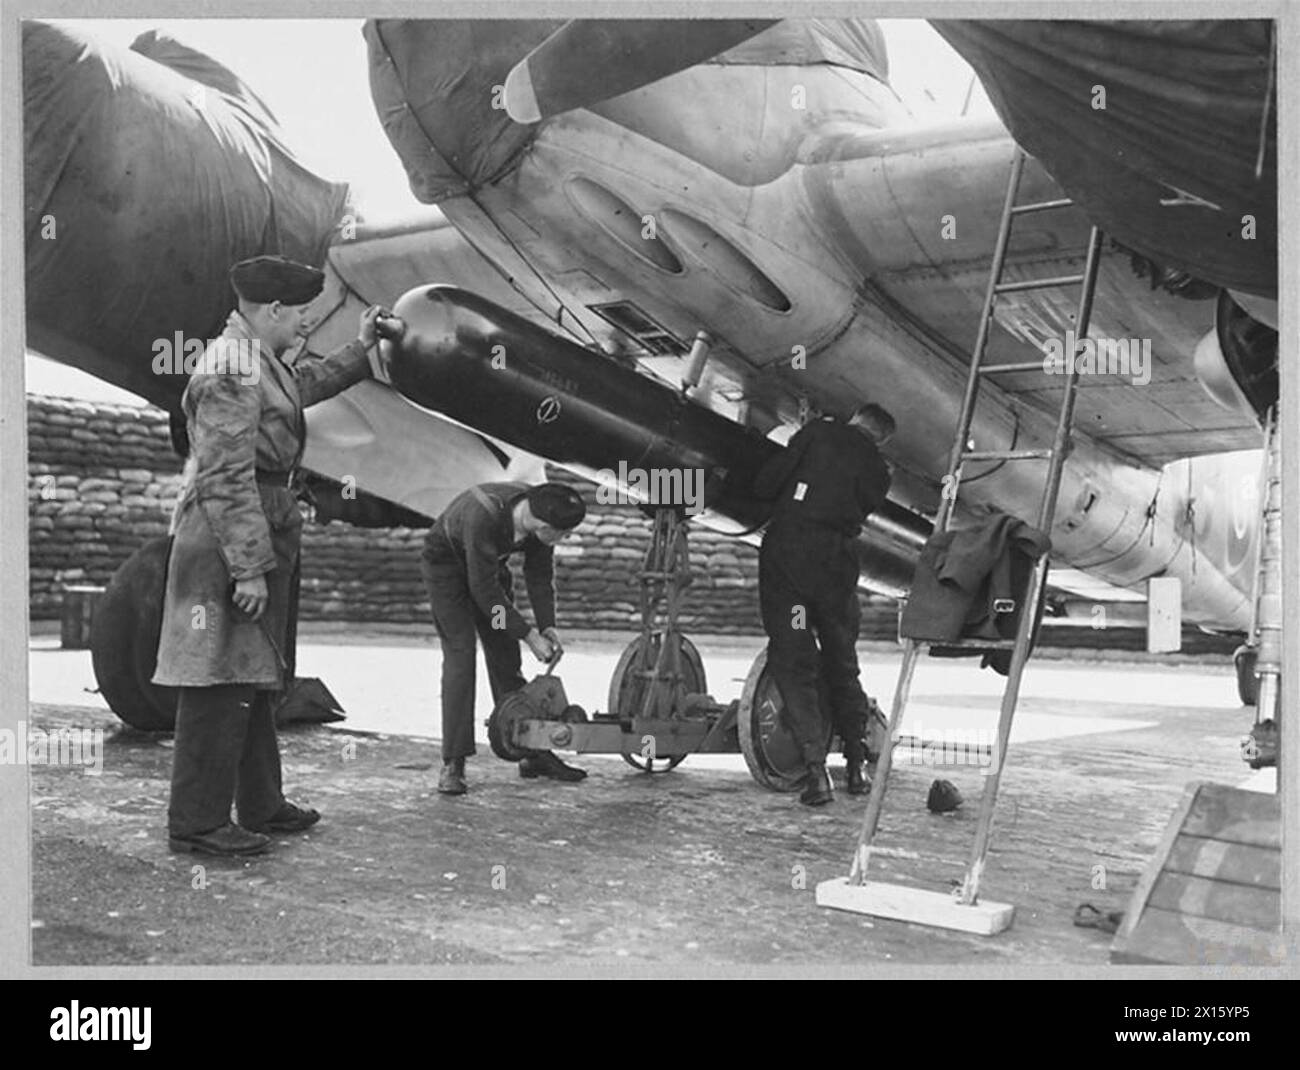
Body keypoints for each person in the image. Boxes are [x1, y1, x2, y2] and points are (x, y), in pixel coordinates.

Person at [154, 254, 403, 856]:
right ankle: (197, 822)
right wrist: (248, 567)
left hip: (260, 518)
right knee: (219, 676)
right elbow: (222, 474)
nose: (304, 327)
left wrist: (362, 348)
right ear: (272, 310)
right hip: (228, 532)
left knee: (257, 673)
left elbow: (300, 389)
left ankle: (260, 803)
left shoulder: (259, 360)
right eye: (300, 316)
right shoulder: (230, 369)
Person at [754, 403, 895, 806]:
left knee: (794, 652)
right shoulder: (881, 472)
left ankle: (816, 772)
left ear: (856, 418)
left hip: (793, 559)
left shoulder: (820, 433)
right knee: (840, 657)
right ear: (881, 438)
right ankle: (855, 765)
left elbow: (768, 483)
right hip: (837, 566)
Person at [421, 481, 588, 794]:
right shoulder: (483, 516)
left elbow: (539, 577)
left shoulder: (540, 510)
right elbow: (484, 595)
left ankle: (531, 751)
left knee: (505, 656)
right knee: (461, 656)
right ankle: (453, 763)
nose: (563, 539)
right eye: (561, 533)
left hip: (488, 571)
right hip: (447, 571)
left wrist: (547, 626)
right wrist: (528, 635)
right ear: (541, 524)